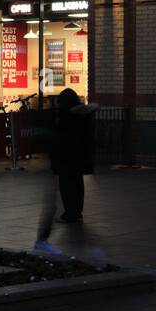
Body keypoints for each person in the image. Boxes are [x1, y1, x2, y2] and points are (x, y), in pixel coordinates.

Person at [50, 87, 93, 223]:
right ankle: (77, 212)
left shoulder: (65, 116)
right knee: (78, 185)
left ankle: (70, 213)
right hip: (80, 156)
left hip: (66, 157)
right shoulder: (84, 114)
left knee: (67, 186)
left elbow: (59, 136)